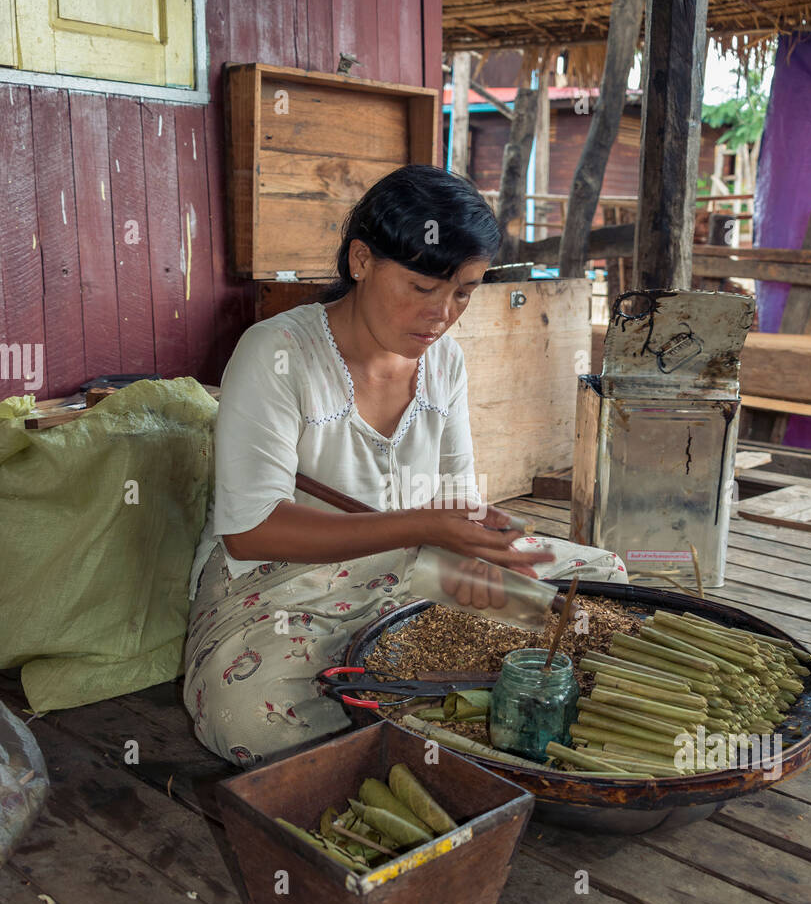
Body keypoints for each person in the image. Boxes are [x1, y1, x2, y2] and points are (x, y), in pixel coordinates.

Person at [184, 165, 626, 765]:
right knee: (251, 717)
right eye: (423, 288)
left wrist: (479, 527)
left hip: (416, 566)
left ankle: (402, 698)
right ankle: (441, 698)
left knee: (598, 581)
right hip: (284, 583)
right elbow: (251, 529)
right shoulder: (278, 353)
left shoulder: (443, 362)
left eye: (464, 292)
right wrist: (424, 526)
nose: (442, 314)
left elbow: (451, 498)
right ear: (362, 260)